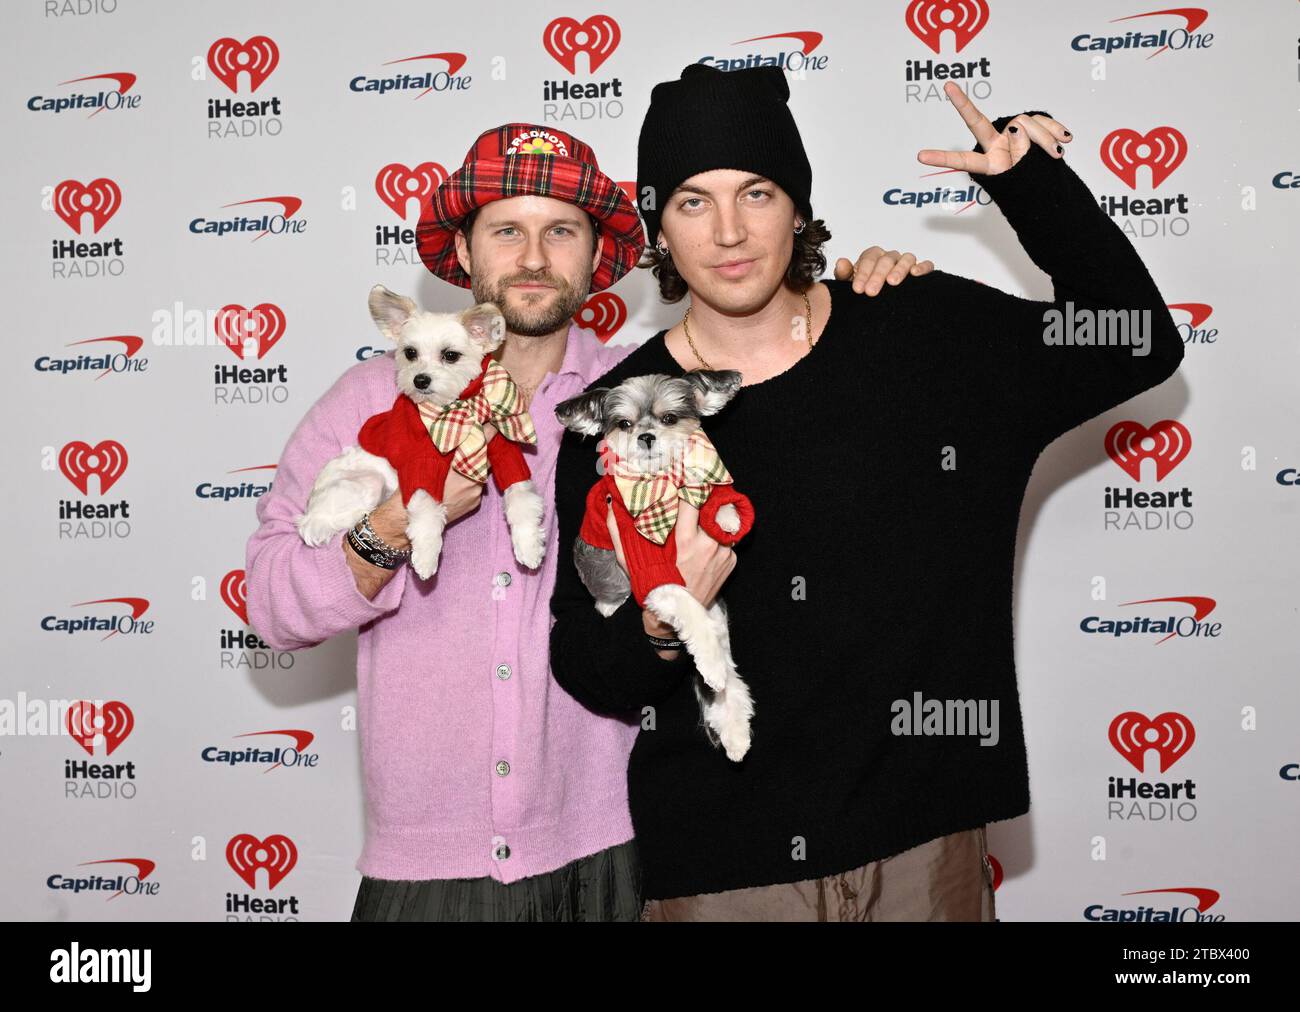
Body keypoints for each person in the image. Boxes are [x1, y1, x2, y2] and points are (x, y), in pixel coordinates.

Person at [243, 120, 932, 922]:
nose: (533, 258)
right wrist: (390, 530)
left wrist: (855, 301)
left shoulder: (645, 392)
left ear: (595, 254)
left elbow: (791, 436)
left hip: (617, 850)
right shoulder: (369, 401)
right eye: (507, 230)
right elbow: (269, 605)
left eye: (559, 231)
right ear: (464, 253)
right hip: (427, 863)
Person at [547, 66, 1186, 921]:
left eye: (758, 192)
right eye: (694, 201)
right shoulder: (623, 416)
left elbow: (1135, 342)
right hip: (724, 866)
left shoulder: (918, 329)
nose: (730, 231)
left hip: (925, 847)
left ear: (800, 206)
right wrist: (661, 624)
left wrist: (1028, 187)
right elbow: (589, 666)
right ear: (659, 226)